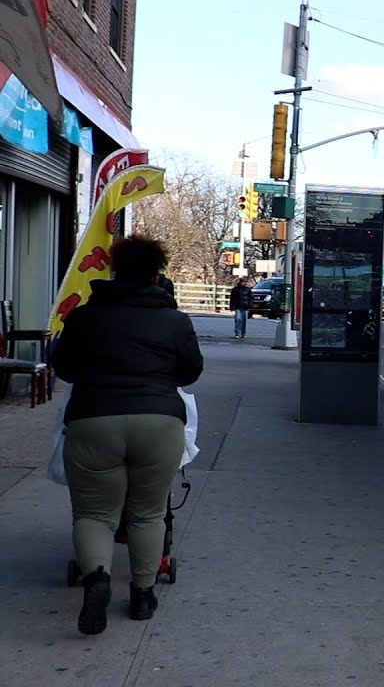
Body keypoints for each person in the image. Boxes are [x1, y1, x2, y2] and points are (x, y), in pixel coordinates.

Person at [50, 236, 204, 635]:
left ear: (114, 269)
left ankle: (98, 578)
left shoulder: (85, 317)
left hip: (93, 419)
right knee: (148, 512)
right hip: (159, 422)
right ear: (156, 274)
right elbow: (189, 373)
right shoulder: (175, 321)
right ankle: (141, 594)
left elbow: (63, 368)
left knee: (94, 514)